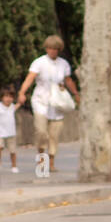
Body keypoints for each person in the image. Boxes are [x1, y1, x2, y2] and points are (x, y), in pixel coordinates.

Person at [18, 34, 81, 174]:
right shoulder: (39, 62)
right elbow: (30, 78)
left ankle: (51, 164)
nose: (53, 51)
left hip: (57, 104)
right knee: (41, 133)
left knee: (54, 135)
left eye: (55, 49)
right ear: (46, 48)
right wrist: (22, 92)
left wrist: (76, 94)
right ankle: (42, 163)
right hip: (41, 101)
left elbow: (68, 80)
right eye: (50, 48)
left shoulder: (63, 64)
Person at [0, 87, 21, 173]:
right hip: (0, 133)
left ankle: (14, 165)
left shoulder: (12, 107)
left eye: (10, 97)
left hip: (11, 132)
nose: (8, 99)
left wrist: (21, 97)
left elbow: (18, 104)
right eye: (6, 96)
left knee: (13, 150)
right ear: (2, 97)